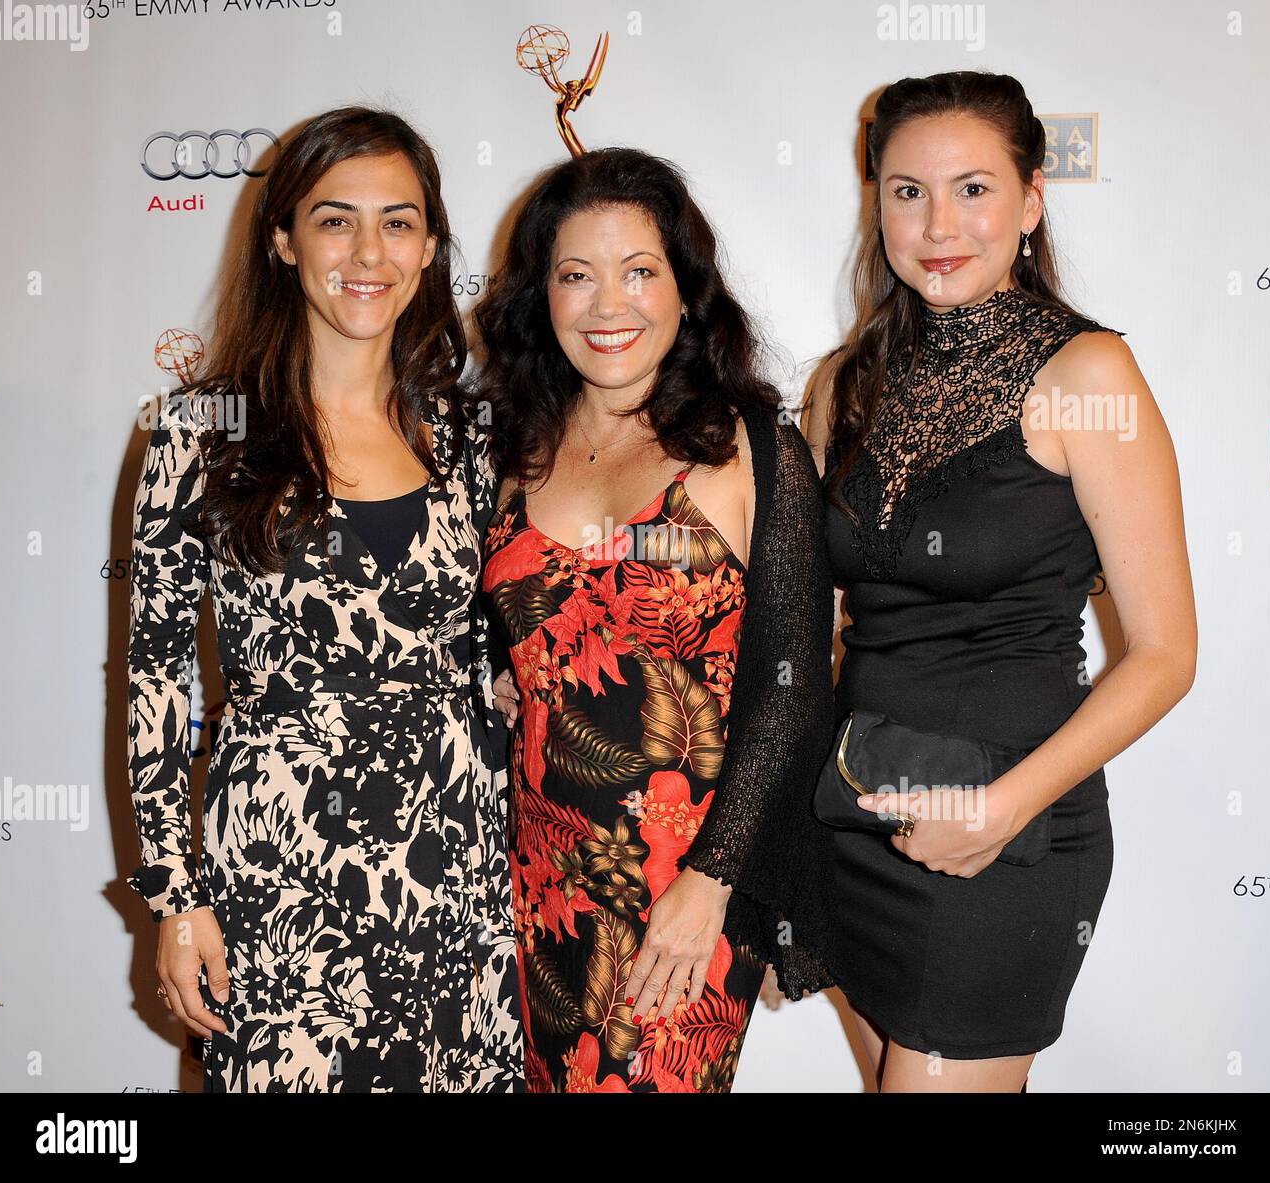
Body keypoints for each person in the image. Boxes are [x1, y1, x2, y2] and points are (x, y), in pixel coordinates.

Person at [803, 71, 1197, 1092]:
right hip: (859, 820)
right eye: (905, 192)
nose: (938, 224)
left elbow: (1164, 653)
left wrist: (1004, 807)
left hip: (1007, 835)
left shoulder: (1089, 376)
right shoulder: (842, 385)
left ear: (1029, 200)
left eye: (972, 188)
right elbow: (814, 625)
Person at [125, 106, 521, 1091]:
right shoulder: (201, 432)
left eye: (398, 221)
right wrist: (177, 899)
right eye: (335, 218)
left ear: (429, 247)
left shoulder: (469, 430)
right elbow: (156, 680)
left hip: (449, 859)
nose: (368, 252)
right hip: (279, 870)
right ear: (282, 239)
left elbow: (483, 647)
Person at [474, 147, 836, 1092]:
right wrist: (498, 676)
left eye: (639, 272)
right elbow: (496, 634)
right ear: (539, 296)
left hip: (685, 892)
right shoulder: (513, 449)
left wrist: (712, 883)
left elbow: (794, 693)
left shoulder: (751, 448)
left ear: (686, 291)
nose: (609, 306)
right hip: (527, 884)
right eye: (576, 276)